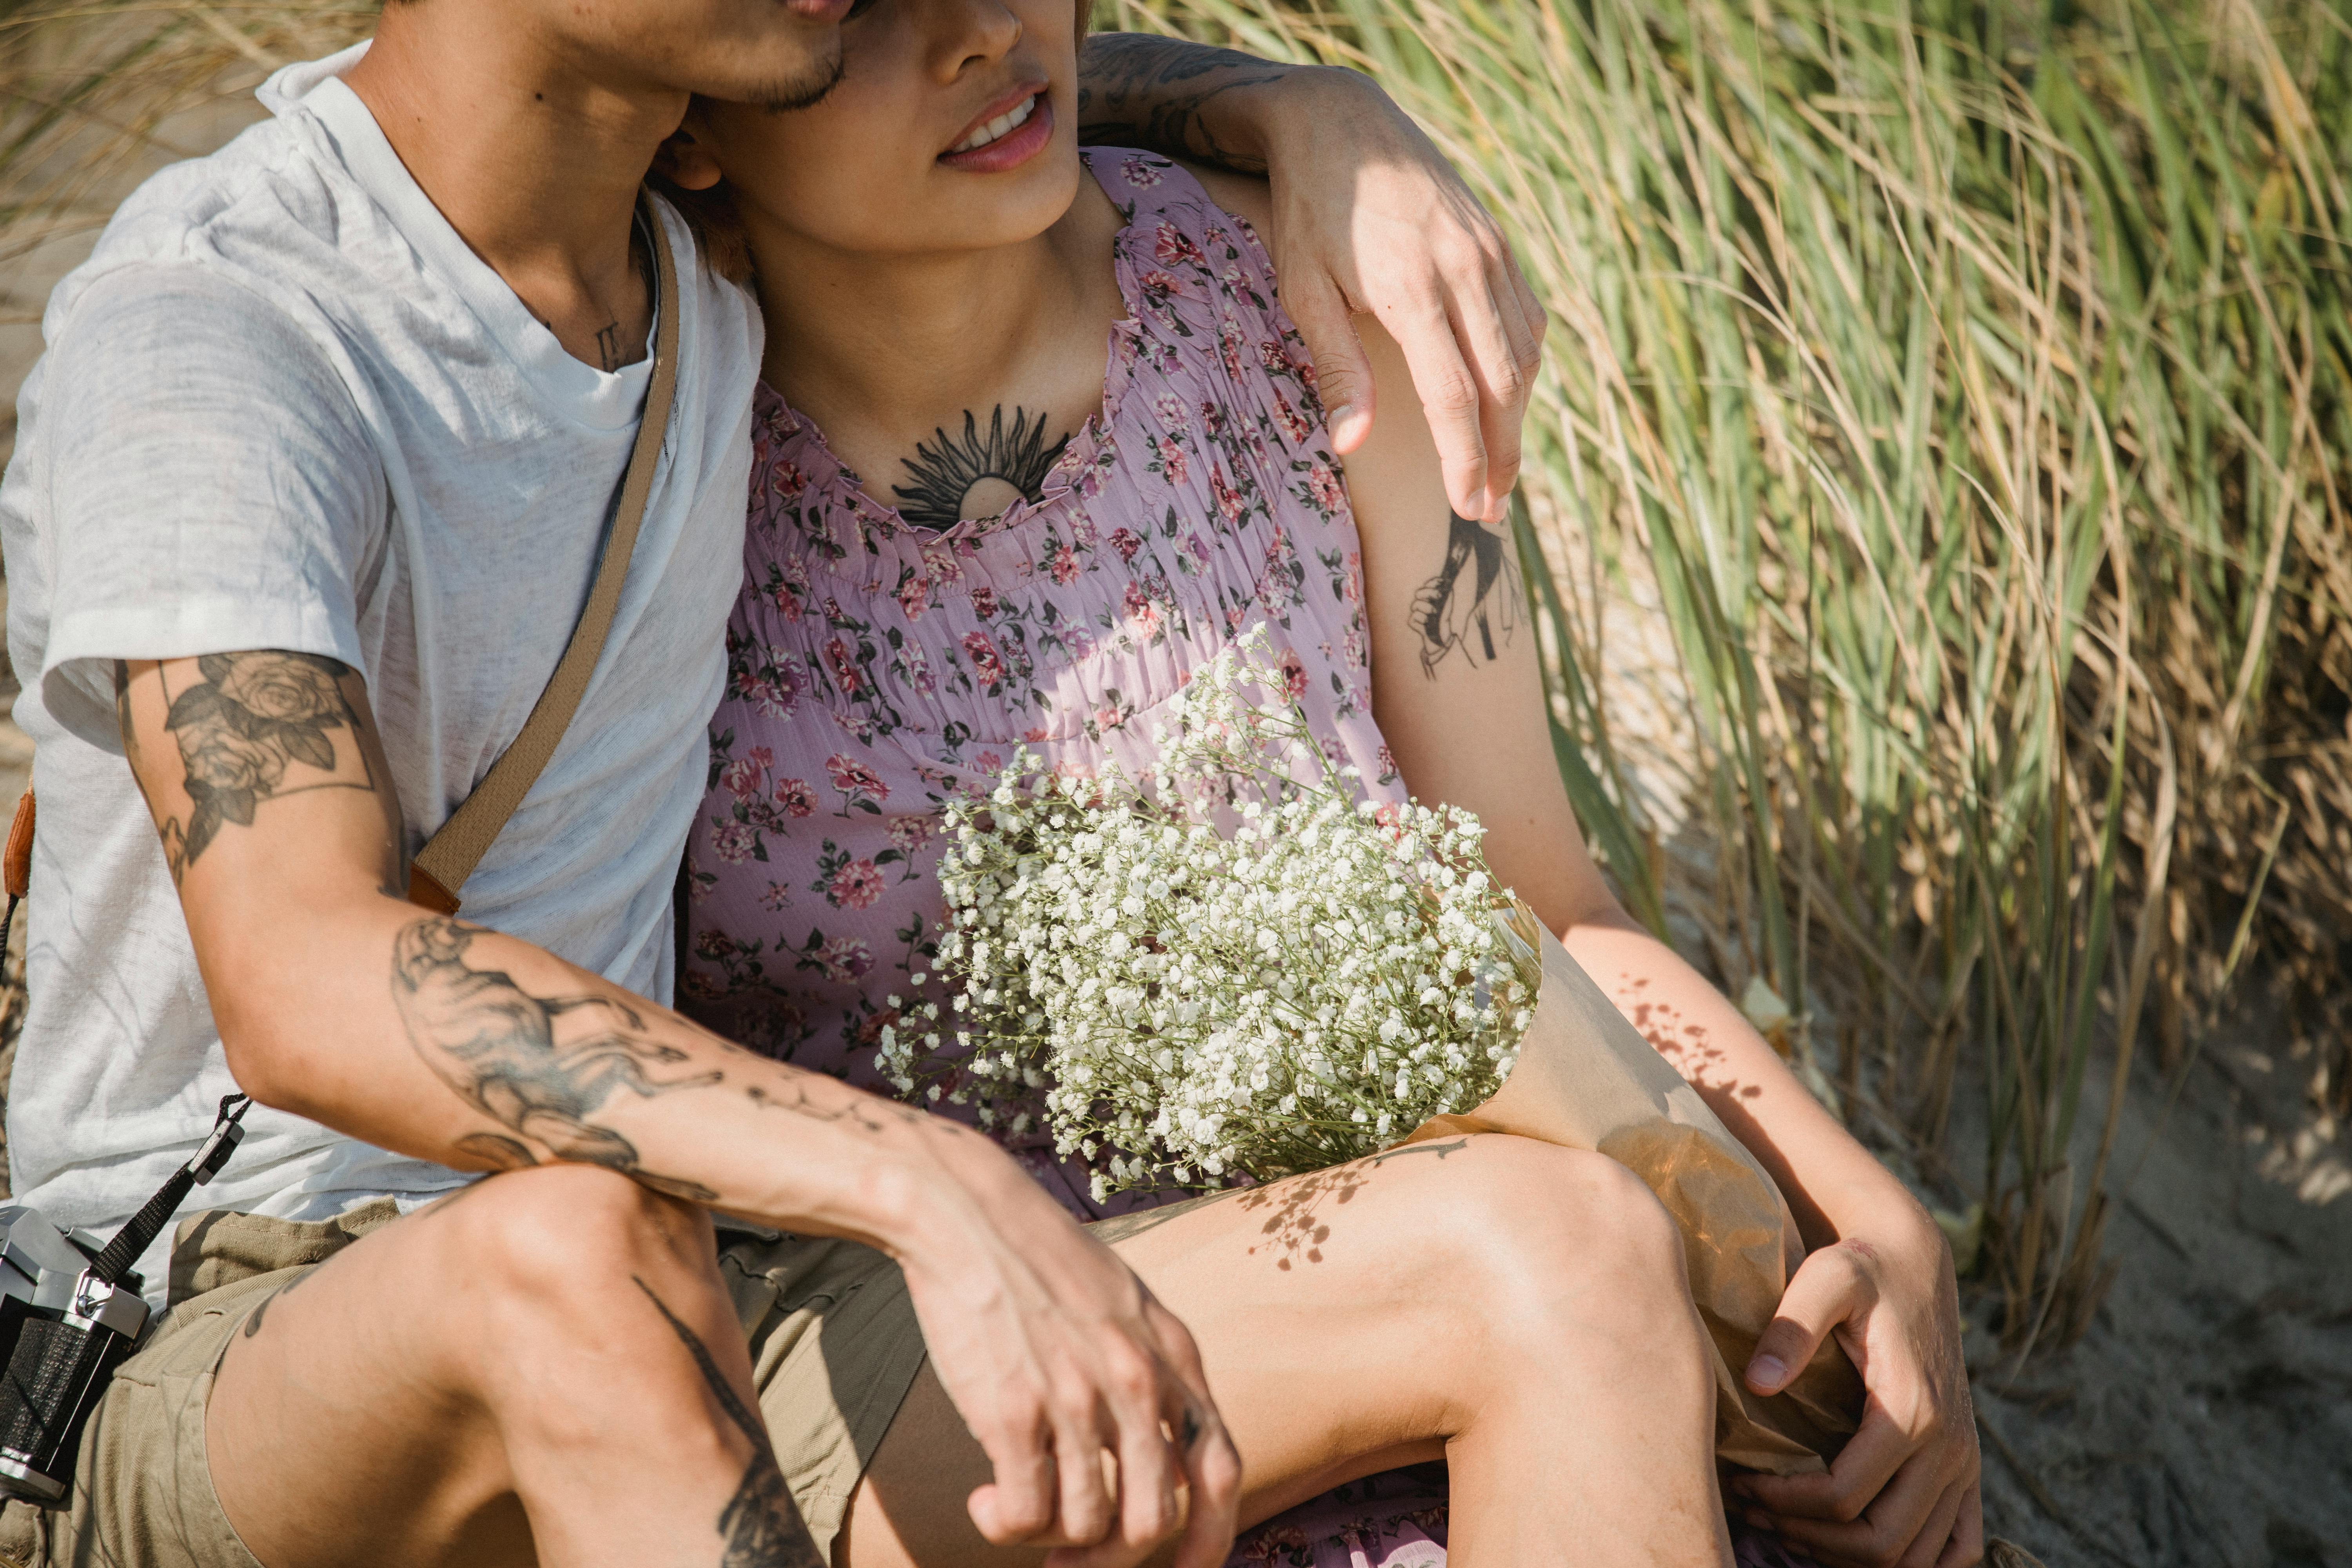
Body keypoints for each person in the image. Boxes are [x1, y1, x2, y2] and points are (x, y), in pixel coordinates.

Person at [0, 0, 1553, 1564]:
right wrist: (912, 1173)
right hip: (203, 1334)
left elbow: (952, 72)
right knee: (569, 1263)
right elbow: (298, 974)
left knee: (1540, 1263)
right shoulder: (214, 330)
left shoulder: (701, 257)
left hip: (699, 1284)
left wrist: (1303, 109)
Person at [670, 3, 1986, 1566]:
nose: (985, 28)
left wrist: (1863, 1204)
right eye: (872, 2)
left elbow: (1541, 903)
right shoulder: (636, 458)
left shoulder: (1315, 307)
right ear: (686, 95)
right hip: (988, 1396)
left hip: (1487, 1312)